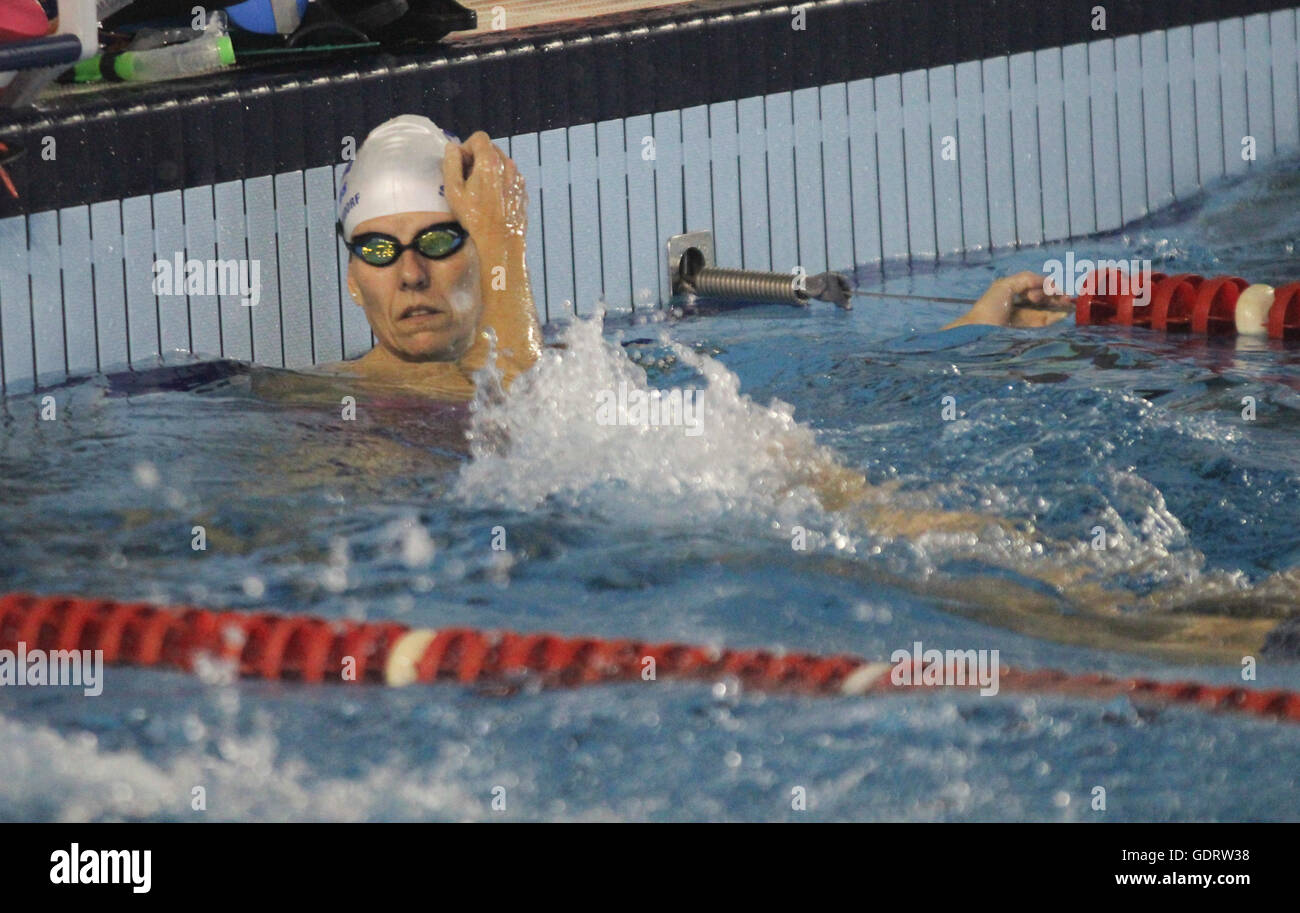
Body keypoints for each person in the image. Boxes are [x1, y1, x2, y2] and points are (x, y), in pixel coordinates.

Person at [325, 114, 542, 400]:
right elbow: (517, 403)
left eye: (437, 241)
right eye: (379, 250)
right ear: (352, 281)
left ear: (482, 258)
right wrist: (504, 240)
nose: (412, 275)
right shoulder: (321, 396)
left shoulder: (574, 365)